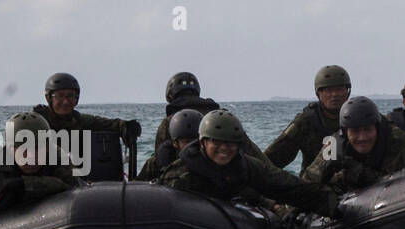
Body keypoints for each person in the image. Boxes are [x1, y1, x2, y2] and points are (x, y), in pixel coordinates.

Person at [158, 110, 341, 217]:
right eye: (217, 142)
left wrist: (332, 204)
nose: (224, 148)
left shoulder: (244, 166)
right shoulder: (180, 175)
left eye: (230, 143)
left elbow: (286, 186)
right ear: (203, 143)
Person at [300, 96, 405, 193]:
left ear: (377, 128)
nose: (362, 137)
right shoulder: (334, 145)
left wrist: (350, 167)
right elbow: (309, 180)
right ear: (345, 132)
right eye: (355, 131)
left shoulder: (395, 139)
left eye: (367, 129)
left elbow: (388, 182)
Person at [264, 64, 352, 169]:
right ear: (319, 93)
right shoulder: (306, 121)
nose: (334, 94)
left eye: (339, 89)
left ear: (347, 91)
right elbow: (274, 157)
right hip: (314, 182)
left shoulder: (359, 116)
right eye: (328, 90)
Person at [34, 73, 141, 152]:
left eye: (70, 96)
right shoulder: (34, 122)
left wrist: (125, 127)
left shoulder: (78, 120)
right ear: (49, 98)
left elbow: (109, 124)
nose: (65, 102)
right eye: (60, 96)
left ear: (76, 99)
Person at [138, 108, 201, 181]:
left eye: (197, 141)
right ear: (175, 143)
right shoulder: (155, 164)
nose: (192, 145)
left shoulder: (210, 162)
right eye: (187, 142)